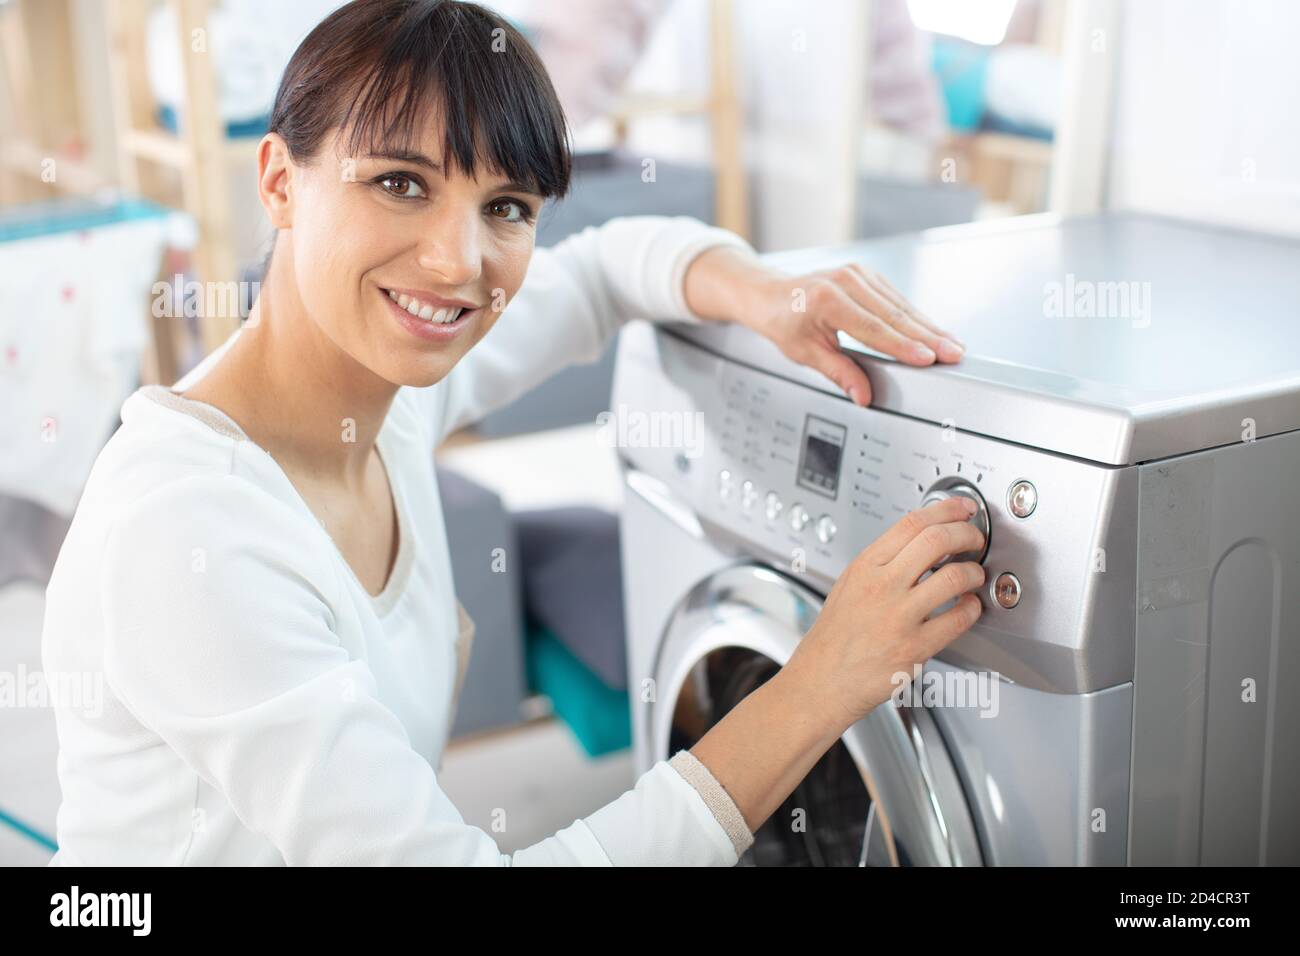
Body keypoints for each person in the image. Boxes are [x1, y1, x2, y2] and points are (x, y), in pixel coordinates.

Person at [41, 0, 981, 865]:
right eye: (401, 184)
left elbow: (602, 270)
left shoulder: (386, 401)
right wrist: (822, 682)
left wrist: (766, 290)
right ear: (280, 181)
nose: (459, 262)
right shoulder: (187, 534)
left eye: (507, 209)